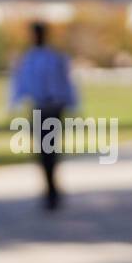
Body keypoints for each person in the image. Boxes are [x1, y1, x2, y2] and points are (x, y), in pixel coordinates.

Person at [9, 21, 78, 210]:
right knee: (43, 151)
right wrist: (13, 107)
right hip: (39, 108)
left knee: (51, 149)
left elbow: (68, 83)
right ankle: (50, 189)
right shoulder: (27, 59)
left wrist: (73, 106)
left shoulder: (55, 57)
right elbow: (19, 84)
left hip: (55, 108)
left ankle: (52, 189)